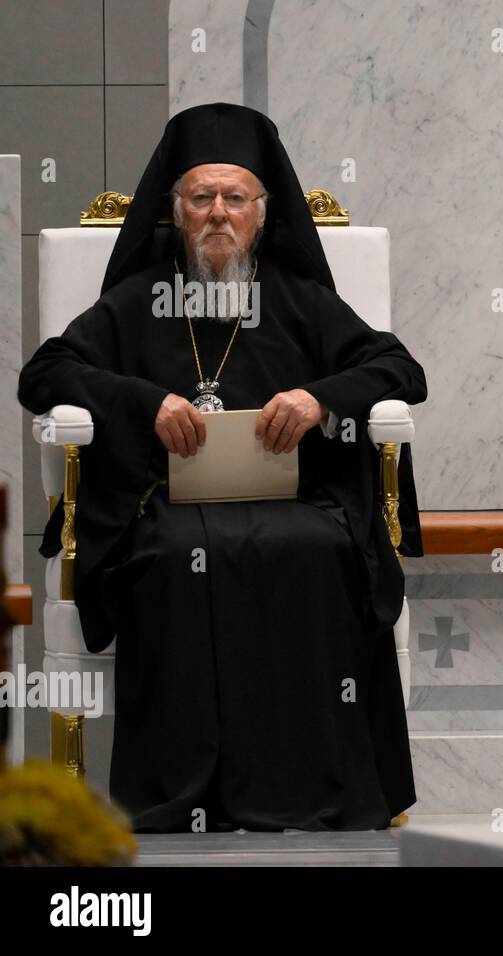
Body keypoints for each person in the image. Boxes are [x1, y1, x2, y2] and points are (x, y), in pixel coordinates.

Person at [18, 103, 426, 832]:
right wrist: (143, 401)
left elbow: (401, 368)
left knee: (324, 548)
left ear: (263, 215)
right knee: (177, 556)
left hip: (294, 508)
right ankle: (185, 794)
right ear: (174, 213)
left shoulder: (301, 301)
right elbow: (43, 373)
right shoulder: (139, 300)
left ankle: (316, 794)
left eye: (234, 198)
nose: (216, 214)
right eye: (200, 198)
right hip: (166, 510)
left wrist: (315, 396)